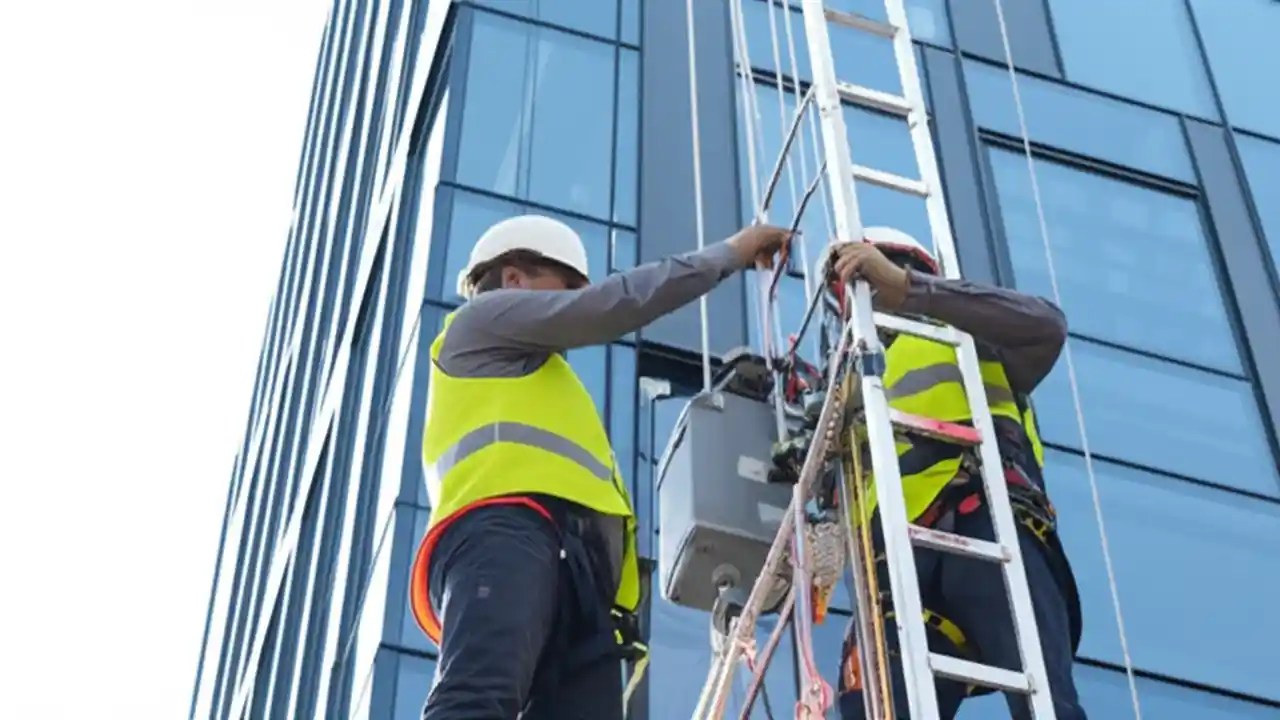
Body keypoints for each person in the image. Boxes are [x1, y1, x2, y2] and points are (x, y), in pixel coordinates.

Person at [409, 213, 792, 720]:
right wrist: (732, 252)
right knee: (477, 701)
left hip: (576, 577)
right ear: (513, 280)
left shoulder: (542, 380)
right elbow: (616, 303)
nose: (571, 307)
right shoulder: (479, 325)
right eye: (564, 288)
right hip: (507, 535)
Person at [824, 227, 1086, 720]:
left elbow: (1045, 325)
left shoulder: (970, 336)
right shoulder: (846, 398)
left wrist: (910, 289)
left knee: (1049, 708)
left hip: (986, 527)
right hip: (896, 574)